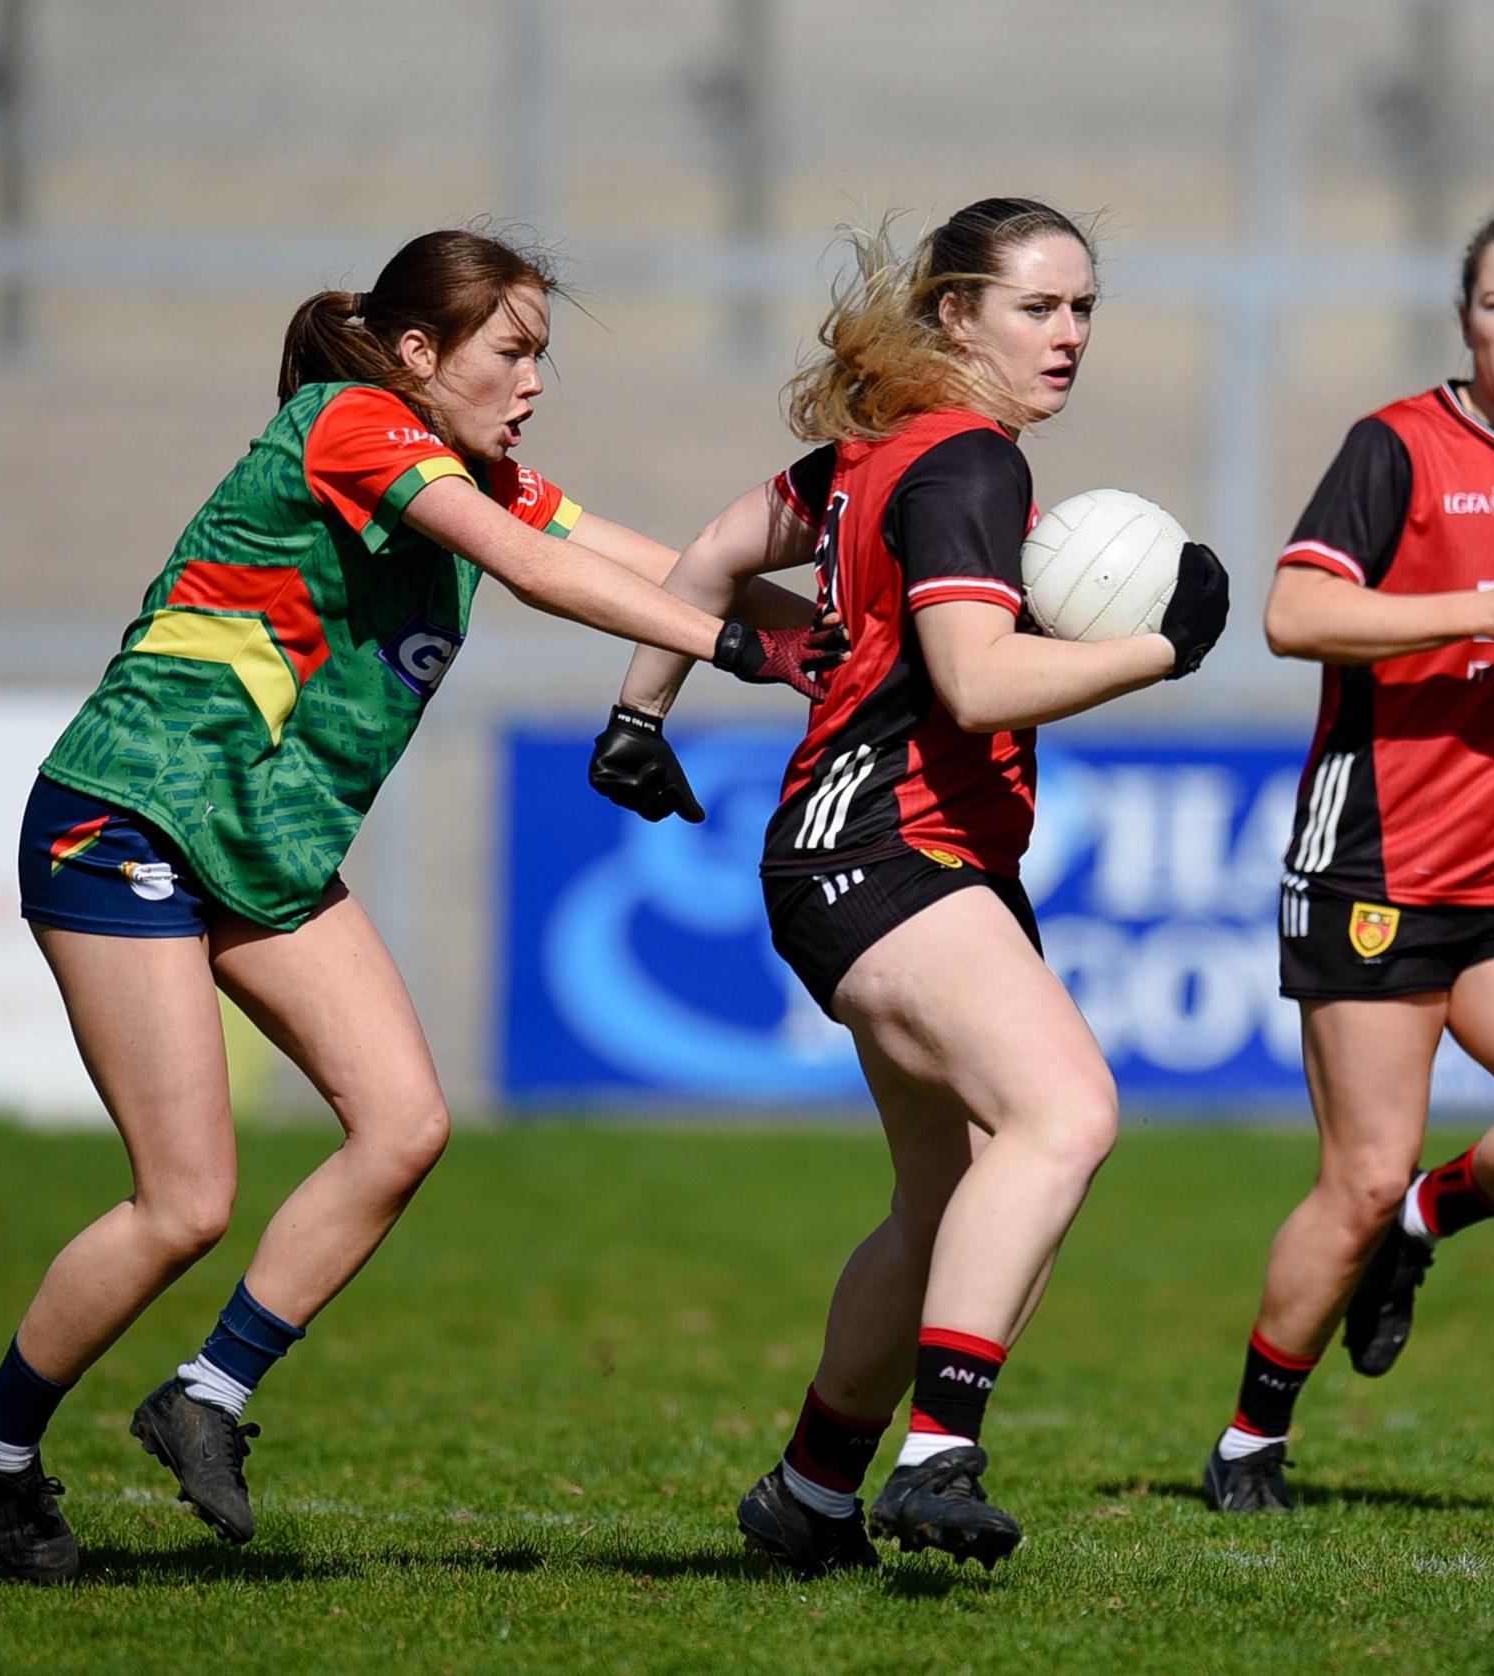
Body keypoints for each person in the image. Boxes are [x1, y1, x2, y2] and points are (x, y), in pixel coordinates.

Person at [0, 227, 837, 1583]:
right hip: (130, 814)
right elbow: (541, 573)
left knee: (406, 1126)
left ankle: (206, 1395)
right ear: (419, 352)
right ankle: (1, 1436)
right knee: (184, 1203)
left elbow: (660, 566)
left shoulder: (482, 474)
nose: (533, 382)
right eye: (512, 352)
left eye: (540, 356)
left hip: (267, 844)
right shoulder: (352, 422)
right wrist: (745, 651)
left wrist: (833, 640)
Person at [588, 198, 1230, 1570]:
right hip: (886, 850)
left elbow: (710, 553)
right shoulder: (971, 465)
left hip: (890, 854)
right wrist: (1162, 649)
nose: (1068, 335)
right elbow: (976, 681)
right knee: (1064, 1113)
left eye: (1083, 309)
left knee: (949, 1202)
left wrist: (641, 714)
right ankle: (938, 1456)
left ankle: (811, 1494)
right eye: (1036, 308)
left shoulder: (868, 456)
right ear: (953, 315)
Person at [1201, 207, 1494, 1513]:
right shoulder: (1396, 445)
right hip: (1378, 868)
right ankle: (1250, 1440)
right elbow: (1294, 613)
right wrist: (1477, 609)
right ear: (1466, 317)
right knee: (1355, 1177)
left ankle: (1427, 1220)